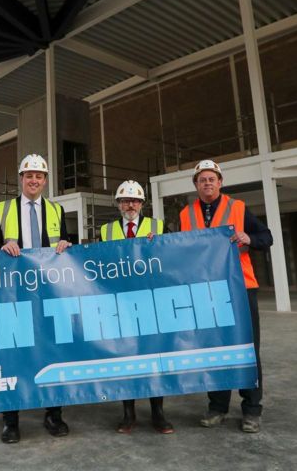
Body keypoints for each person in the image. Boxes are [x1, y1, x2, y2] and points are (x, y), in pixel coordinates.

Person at [179, 159, 272, 434]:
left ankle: (252, 410)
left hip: (240, 288)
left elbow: (266, 237)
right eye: (202, 180)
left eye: (212, 179)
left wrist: (249, 238)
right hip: (206, 291)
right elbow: (178, 249)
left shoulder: (238, 208)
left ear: (220, 182)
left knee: (247, 348)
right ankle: (217, 406)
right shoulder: (186, 214)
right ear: (196, 185)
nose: (207, 183)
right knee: (215, 348)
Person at [0, 153, 72, 443]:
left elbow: (65, 245)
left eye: (39, 176)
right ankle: (11, 420)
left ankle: (53, 414)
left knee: (53, 351)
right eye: (29, 175)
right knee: (14, 353)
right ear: (21, 179)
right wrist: (3, 246)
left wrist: (66, 244)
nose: (34, 180)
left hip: (48, 292)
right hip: (15, 293)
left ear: (45, 181)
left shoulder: (56, 210)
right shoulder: (3, 209)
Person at [99, 180, 174, 435]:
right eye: (125, 200)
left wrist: (160, 246)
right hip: (121, 303)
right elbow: (98, 264)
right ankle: (128, 413)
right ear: (118, 204)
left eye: (134, 200)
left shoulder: (158, 227)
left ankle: (158, 413)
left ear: (142, 204)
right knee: (126, 357)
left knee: (154, 356)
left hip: (151, 302)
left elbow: (171, 259)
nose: (130, 205)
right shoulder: (106, 230)